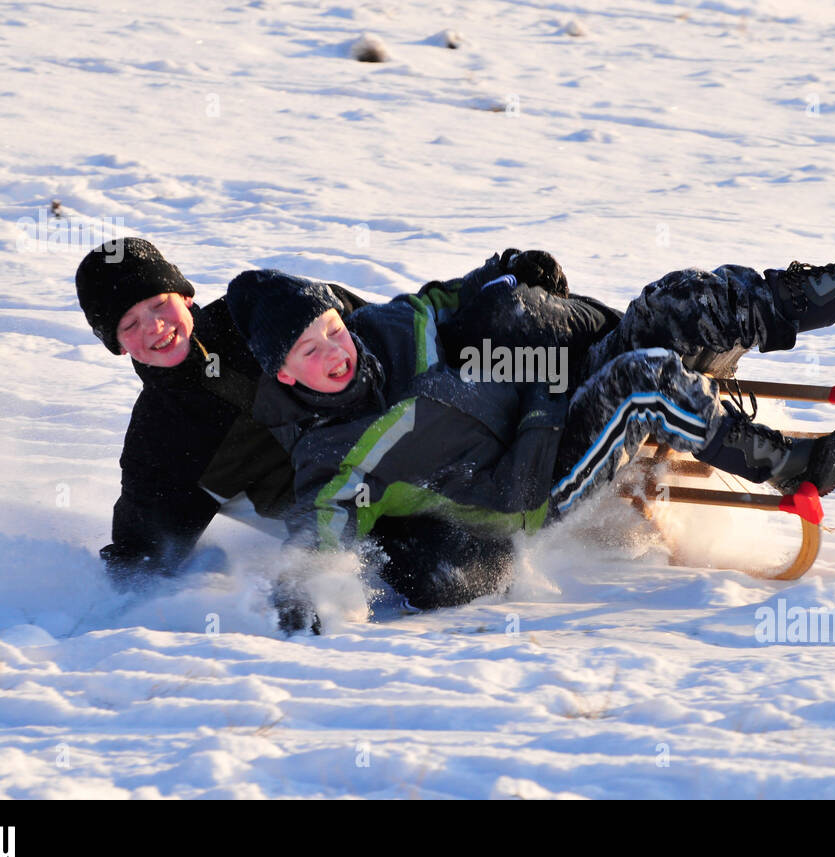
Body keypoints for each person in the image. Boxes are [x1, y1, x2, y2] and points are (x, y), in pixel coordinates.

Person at [227, 203, 835, 632]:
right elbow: (321, 529)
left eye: (328, 331)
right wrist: (308, 593)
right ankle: (787, 462)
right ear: (285, 373)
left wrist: (508, 269)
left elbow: (458, 298)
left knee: (670, 303)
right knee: (638, 380)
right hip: (534, 484)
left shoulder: (385, 325)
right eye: (309, 353)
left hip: (554, 387)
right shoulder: (332, 450)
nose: (332, 353)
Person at [73, 237, 573, 592]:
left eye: (159, 303)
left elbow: (394, 323)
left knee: (525, 340)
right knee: (444, 575)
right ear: (116, 346)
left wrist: (497, 279)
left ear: (184, 294)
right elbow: (140, 556)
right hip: (383, 513)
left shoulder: (266, 312)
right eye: (130, 324)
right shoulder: (160, 440)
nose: (155, 327)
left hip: (449, 422)